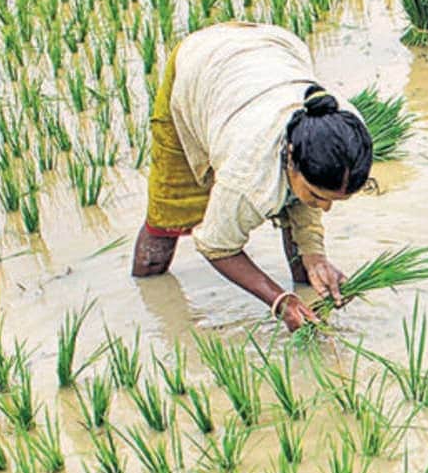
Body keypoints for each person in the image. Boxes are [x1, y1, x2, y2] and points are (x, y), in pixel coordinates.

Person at [130, 21, 373, 332]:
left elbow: (306, 201)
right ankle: (145, 307)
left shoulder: (347, 131)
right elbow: (216, 246)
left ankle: (311, 306)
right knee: (168, 214)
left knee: (301, 220)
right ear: (289, 158)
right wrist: (279, 300)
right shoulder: (247, 175)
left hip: (273, 48)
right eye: (318, 197)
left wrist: (314, 256)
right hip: (201, 67)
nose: (325, 209)